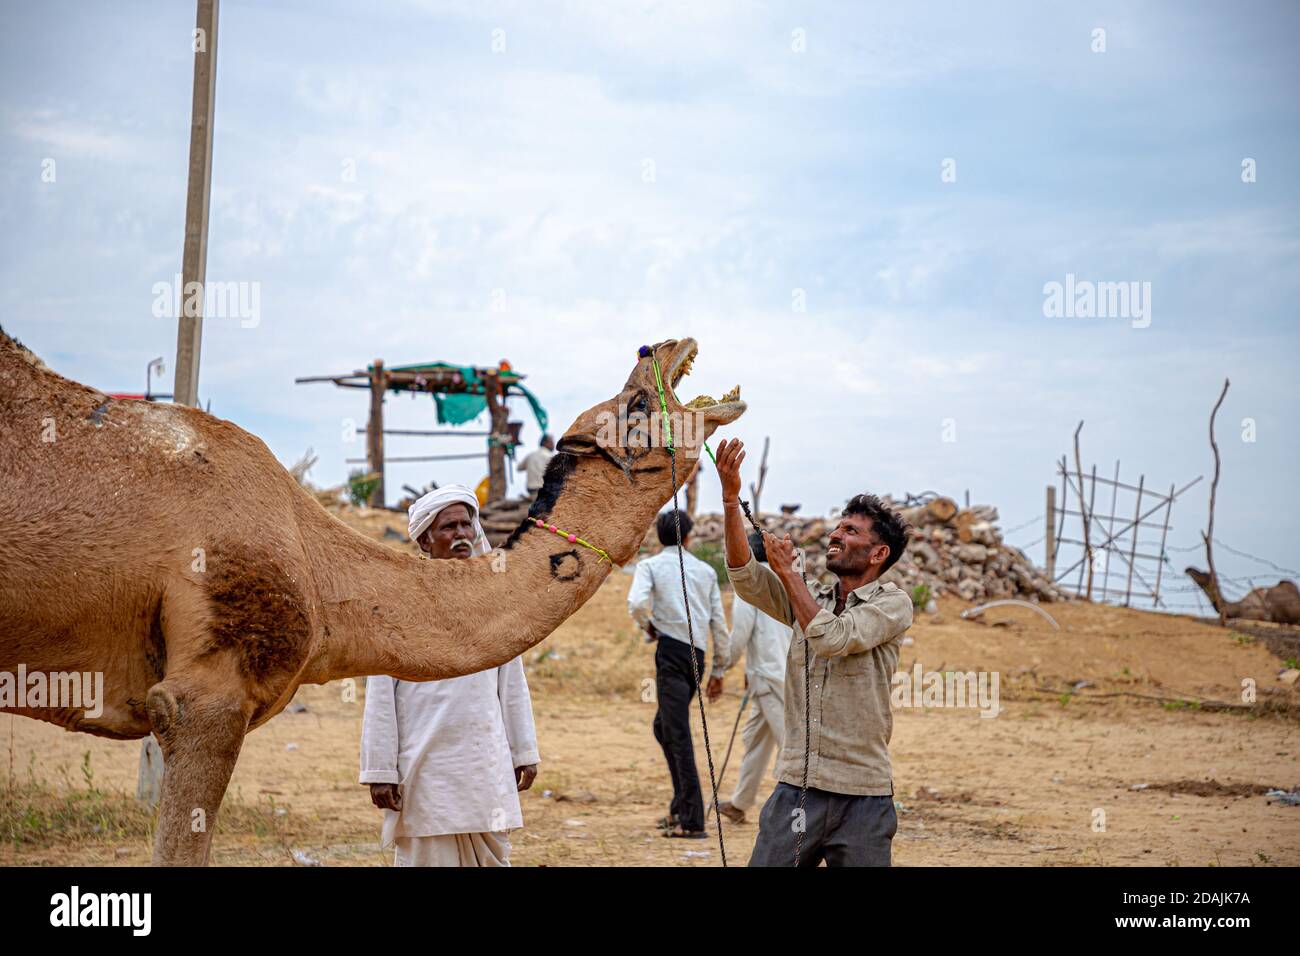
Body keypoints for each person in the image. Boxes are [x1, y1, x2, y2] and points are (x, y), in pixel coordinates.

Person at [713, 438, 913, 867]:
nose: (836, 535)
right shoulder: (813, 597)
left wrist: (787, 571)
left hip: (864, 796)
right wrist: (731, 501)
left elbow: (833, 638)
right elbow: (745, 577)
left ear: (879, 554)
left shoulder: (893, 604)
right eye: (838, 527)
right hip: (798, 789)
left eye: (851, 531)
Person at [359, 485, 540, 866]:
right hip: (425, 767)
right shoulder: (399, 604)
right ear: (425, 540)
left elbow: (512, 683)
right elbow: (379, 694)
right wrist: (380, 769)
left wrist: (523, 750)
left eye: (466, 524)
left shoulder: (493, 604)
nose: (461, 533)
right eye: (448, 527)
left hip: (483, 763)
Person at [628, 510, 729, 839]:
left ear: (660, 538)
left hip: (670, 652)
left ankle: (692, 820)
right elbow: (719, 624)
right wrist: (719, 670)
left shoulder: (651, 566)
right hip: (696, 657)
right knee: (664, 727)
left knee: (678, 733)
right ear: (688, 538)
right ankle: (679, 804)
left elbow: (636, 604)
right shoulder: (705, 570)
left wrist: (650, 629)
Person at [715, 531, 793, 825]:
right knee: (756, 740)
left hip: (769, 676)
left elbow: (739, 636)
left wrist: (720, 668)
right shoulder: (786, 580)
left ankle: (799, 812)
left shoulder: (750, 585)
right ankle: (740, 802)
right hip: (779, 674)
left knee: (789, 745)